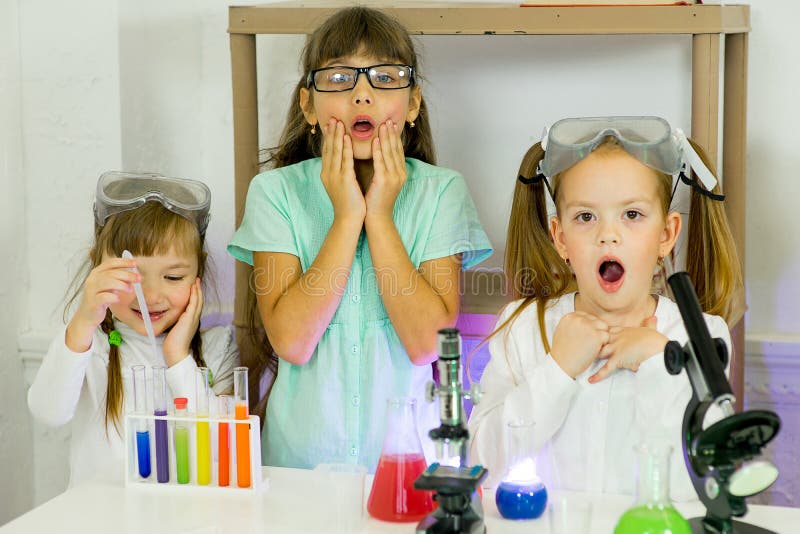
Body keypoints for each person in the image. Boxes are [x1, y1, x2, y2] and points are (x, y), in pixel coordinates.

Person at [228, 6, 492, 471]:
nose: (362, 95)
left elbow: (427, 344)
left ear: (413, 103)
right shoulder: (275, 192)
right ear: (308, 105)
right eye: (339, 78)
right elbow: (291, 340)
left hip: (408, 467)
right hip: (298, 469)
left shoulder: (441, 191)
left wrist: (382, 218)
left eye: (386, 78)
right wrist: (347, 216)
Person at [468, 116, 744, 498]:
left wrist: (657, 362)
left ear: (666, 235)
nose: (607, 234)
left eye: (632, 215)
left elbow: (708, 478)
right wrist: (558, 368)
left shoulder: (700, 337)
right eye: (585, 217)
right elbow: (483, 461)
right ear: (560, 238)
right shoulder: (524, 328)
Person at [28, 172, 239, 487]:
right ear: (97, 266)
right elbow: (48, 412)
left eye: (173, 277)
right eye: (131, 276)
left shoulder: (216, 347)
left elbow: (223, 451)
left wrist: (178, 357)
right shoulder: (92, 343)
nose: (152, 296)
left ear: (199, 271)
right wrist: (84, 320)